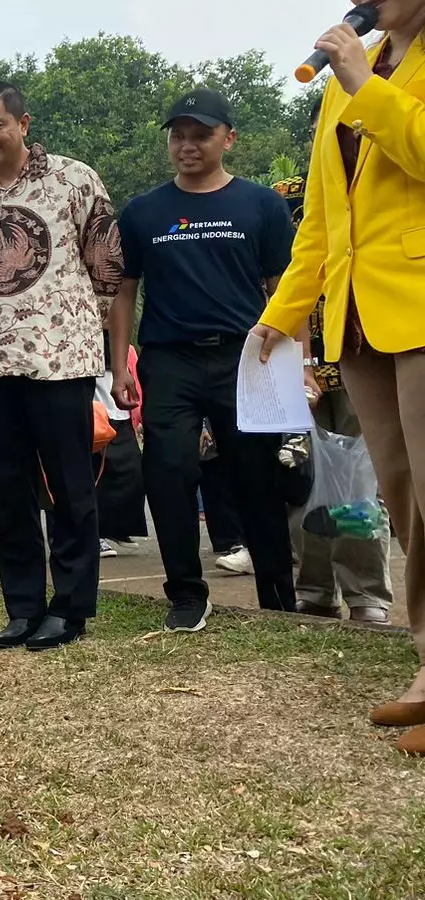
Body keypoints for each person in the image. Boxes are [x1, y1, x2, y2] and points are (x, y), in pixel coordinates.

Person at [251, 2, 425, 755]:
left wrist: (365, 80)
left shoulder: (360, 70)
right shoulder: (349, 74)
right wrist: (285, 312)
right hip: (357, 318)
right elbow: (322, 215)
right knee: (403, 494)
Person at [109, 87, 298, 627]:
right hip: (170, 361)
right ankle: (187, 596)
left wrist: (296, 364)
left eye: (201, 135)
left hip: (246, 358)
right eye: (178, 136)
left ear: (228, 139)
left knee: (256, 477)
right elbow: (124, 290)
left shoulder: (260, 204)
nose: (187, 145)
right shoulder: (144, 211)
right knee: (167, 474)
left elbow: (282, 287)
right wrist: (120, 364)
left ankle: (279, 601)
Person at [0, 81, 122, 651]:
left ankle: (70, 607)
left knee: (70, 486)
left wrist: (78, 329)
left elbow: (106, 266)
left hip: (59, 359)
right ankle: (22, 607)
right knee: (7, 491)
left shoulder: (75, 179)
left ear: (23, 124)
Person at [272, 175, 394, 623]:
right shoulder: (284, 196)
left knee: (361, 485)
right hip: (296, 364)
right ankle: (316, 589)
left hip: (366, 357)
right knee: (302, 483)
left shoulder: (380, 187)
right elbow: (280, 275)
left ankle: (366, 593)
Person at [94, 331, 147, 558]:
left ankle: (118, 528)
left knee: (132, 470)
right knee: (97, 474)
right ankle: (95, 535)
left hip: (121, 411)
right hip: (95, 407)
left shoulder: (126, 349)